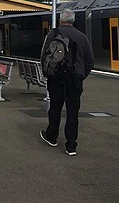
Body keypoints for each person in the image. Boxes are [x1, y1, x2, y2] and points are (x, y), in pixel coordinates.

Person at [39, 9, 94, 156]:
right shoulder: (82, 37)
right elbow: (90, 60)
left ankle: (52, 136)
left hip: (56, 78)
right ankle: (71, 146)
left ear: (60, 20)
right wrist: (81, 76)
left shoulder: (53, 34)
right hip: (74, 80)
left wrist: (47, 73)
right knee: (72, 112)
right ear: (73, 21)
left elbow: (44, 56)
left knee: (55, 108)